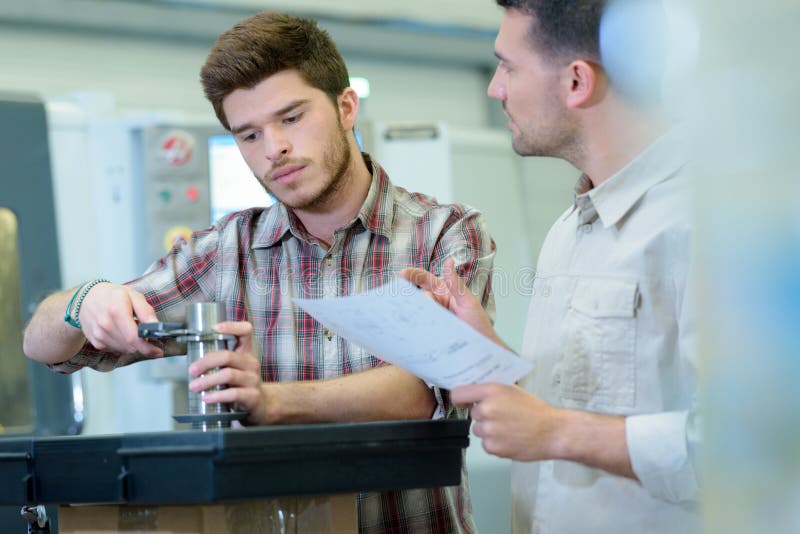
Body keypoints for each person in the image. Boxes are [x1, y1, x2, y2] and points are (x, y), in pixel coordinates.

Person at [22, 12, 495, 534]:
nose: (274, 150)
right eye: (249, 134)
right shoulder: (225, 252)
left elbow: (433, 391)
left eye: (291, 118)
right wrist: (84, 302)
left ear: (345, 107)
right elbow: (43, 346)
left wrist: (270, 403)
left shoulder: (445, 233)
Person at [402, 1, 700, 533]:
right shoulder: (574, 224)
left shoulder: (702, 221)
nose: (496, 88)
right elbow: (574, 400)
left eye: (508, 67)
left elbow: (755, 447)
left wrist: (558, 433)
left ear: (577, 82)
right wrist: (486, 351)